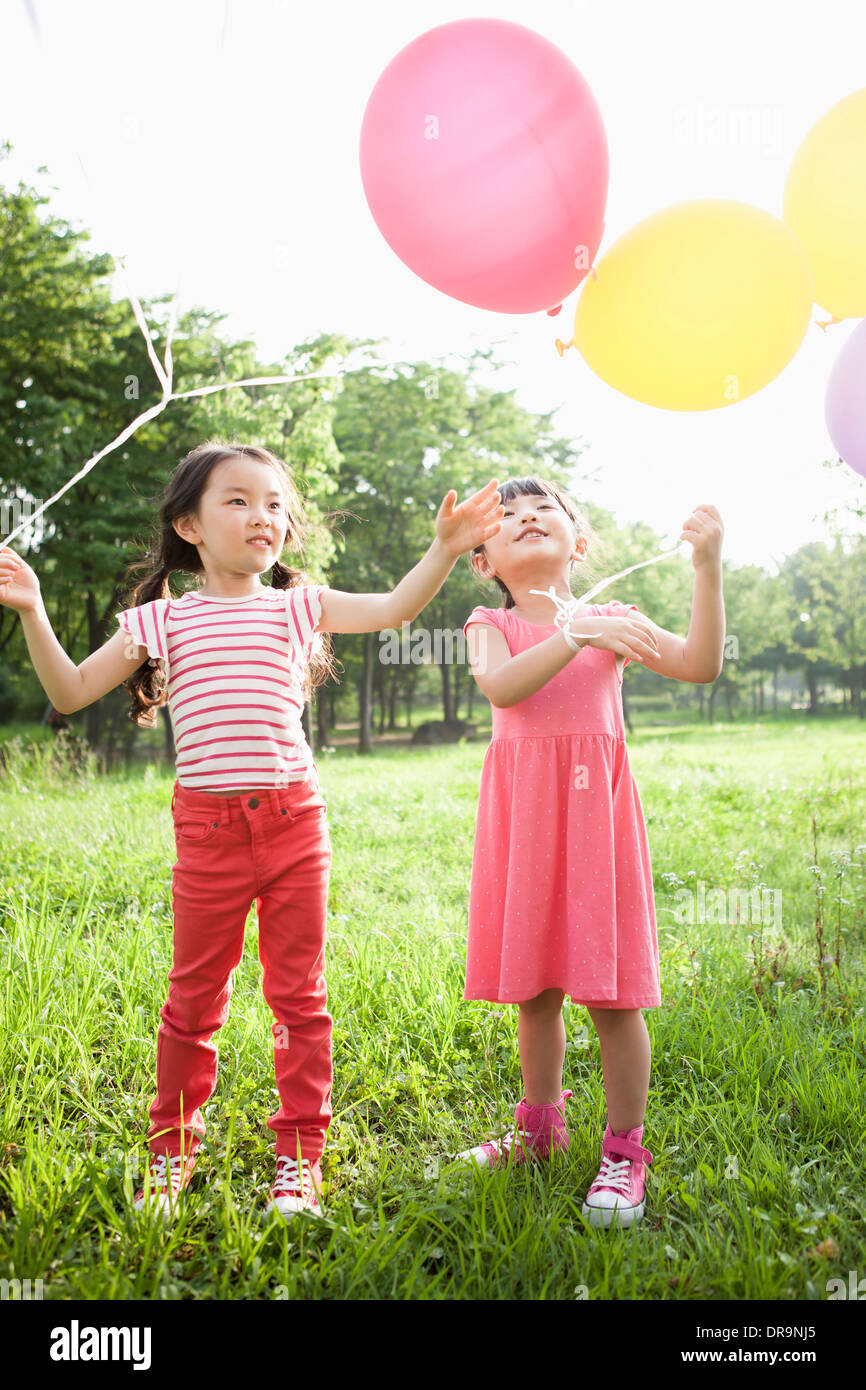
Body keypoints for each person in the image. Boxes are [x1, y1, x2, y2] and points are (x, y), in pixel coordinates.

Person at [0, 440, 504, 1223]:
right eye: (236, 500)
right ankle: (169, 1157)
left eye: (273, 503)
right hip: (207, 830)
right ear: (189, 526)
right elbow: (68, 691)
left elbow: (397, 608)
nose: (261, 516)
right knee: (193, 998)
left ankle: (300, 1159)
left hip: (294, 822)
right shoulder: (158, 620)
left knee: (299, 995)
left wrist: (443, 546)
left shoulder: (299, 605)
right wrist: (34, 608)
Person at [456, 476, 724, 1227]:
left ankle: (622, 1152)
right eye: (508, 516)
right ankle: (539, 1130)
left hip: (595, 826)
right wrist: (575, 635)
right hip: (527, 823)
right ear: (484, 560)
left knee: (613, 996)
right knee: (535, 993)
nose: (529, 517)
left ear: (578, 542)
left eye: (547, 510)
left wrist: (706, 568)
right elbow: (501, 688)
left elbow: (700, 663)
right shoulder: (489, 622)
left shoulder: (613, 618)